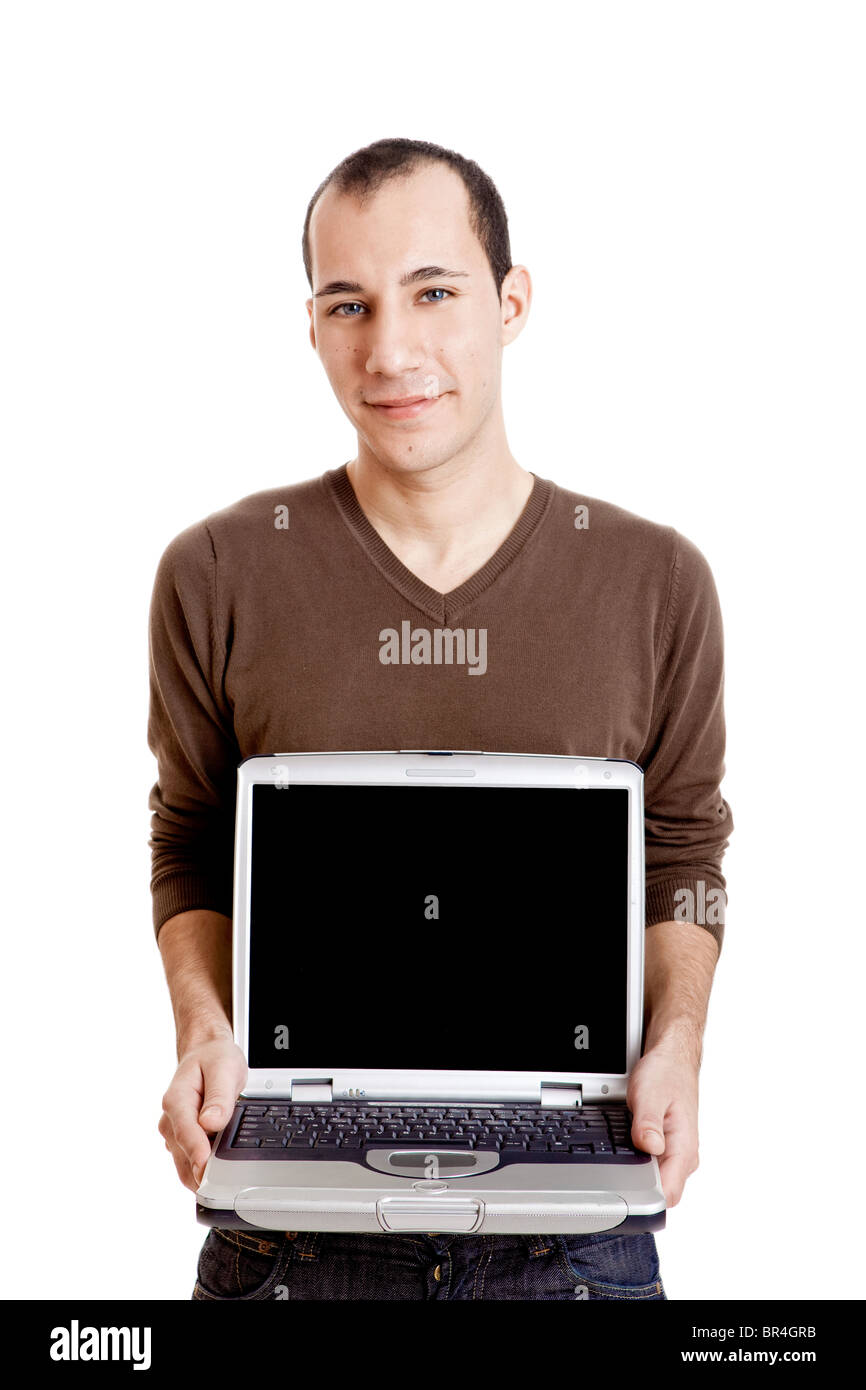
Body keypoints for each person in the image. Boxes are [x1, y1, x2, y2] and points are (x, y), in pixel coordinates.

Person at [148, 137, 733, 1301]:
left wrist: (676, 1043)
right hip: (290, 1250)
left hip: (568, 1245)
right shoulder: (216, 571)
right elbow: (191, 839)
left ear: (510, 303)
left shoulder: (655, 580)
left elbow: (681, 850)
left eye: (432, 292)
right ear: (309, 325)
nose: (391, 349)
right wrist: (206, 1029)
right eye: (346, 303)